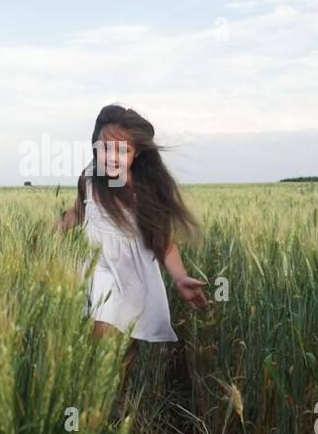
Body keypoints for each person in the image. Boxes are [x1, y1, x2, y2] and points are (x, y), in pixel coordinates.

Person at [55, 104, 209, 345]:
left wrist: (180, 277)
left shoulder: (143, 190)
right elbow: (80, 211)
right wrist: (60, 227)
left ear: (136, 153)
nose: (112, 157)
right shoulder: (89, 178)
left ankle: (118, 382)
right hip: (99, 268)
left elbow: (164, 241)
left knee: (124, 350)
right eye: (105, 147)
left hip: (133, 274)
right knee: (101, 333)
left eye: (122, 150)